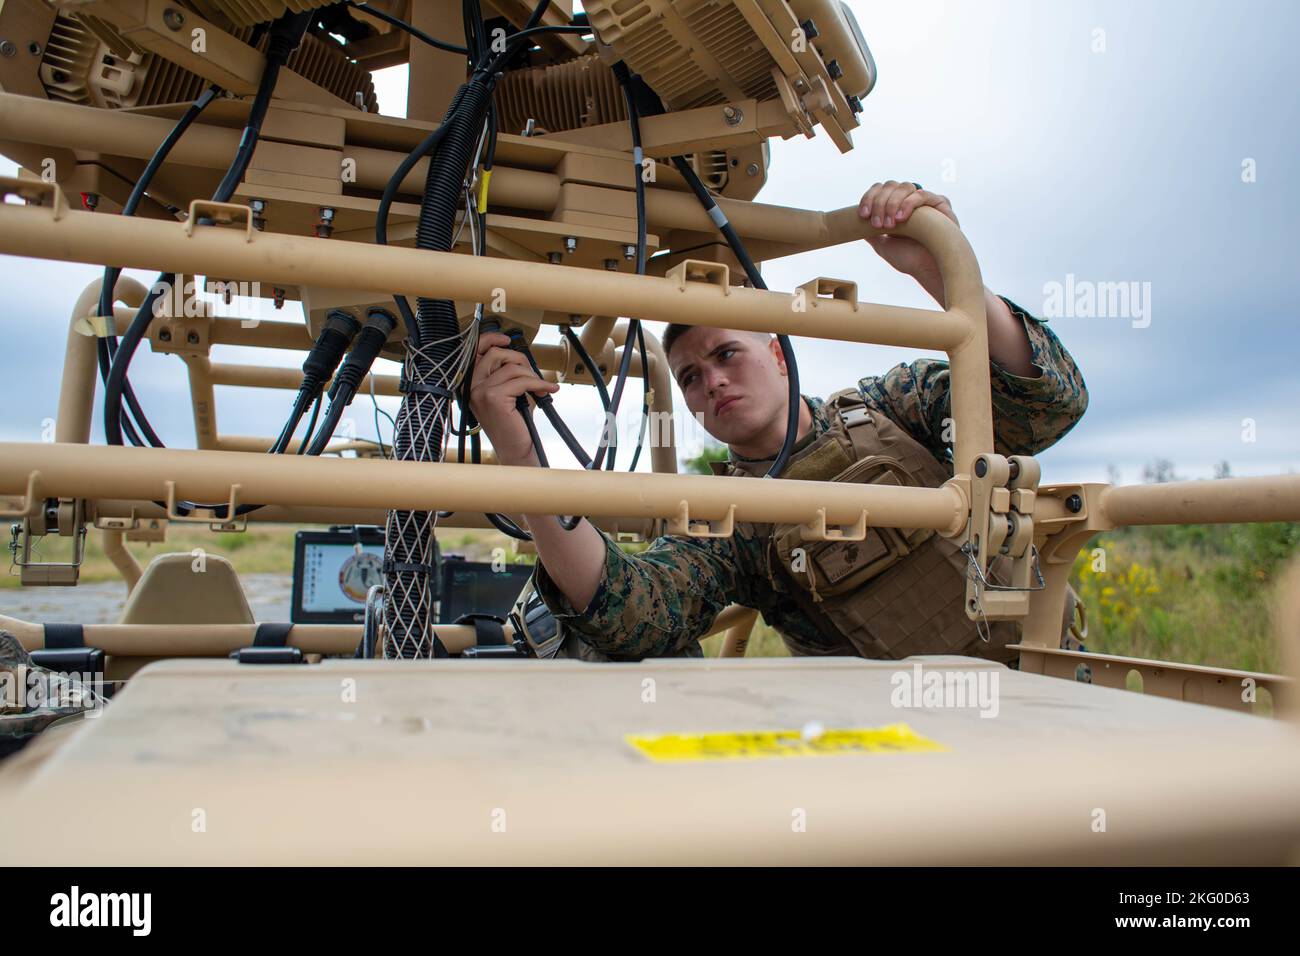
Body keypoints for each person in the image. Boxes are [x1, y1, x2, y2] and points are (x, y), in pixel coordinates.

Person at [468, 181, 1088, 662]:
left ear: (776, 351)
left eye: (725, 354)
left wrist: (940, 266)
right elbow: (632, 614)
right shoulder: (730, 514)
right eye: (687, 377)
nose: (710, 381)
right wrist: (522, 456)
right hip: (904, 748)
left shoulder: (895, 404)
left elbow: (1047, 401)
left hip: (1047, 682)